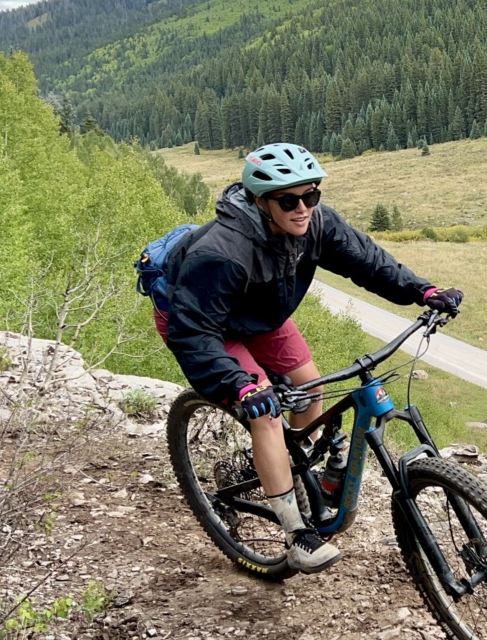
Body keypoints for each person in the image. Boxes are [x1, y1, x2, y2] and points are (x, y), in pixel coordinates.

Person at [159, 142, 463, 574]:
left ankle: (282, 465)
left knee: (310, 390)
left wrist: (423, 291)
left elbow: (369, 262)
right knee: (264, 410)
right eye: (289, 200)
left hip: (261, 316)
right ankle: (296, 535)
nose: (303, 208)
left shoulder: (316, 225)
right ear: (262, 201)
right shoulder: (221, 252)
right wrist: (243, 385)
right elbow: (192, 331)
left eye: (311, 195)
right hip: (205, 326)